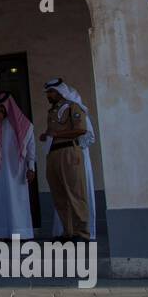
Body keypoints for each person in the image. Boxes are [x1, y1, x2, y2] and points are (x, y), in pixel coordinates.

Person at [41, 78, 96, 242]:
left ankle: (83, 233)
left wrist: (57, 135)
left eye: (51, 92)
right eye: (47, 93)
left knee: (75, 193)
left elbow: (81, 129)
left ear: (59, 92)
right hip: (54, 153)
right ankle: (68, 232)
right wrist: (47, 135)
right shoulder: (52, 112)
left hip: (69, 151)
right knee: (59, 194)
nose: (48, 95)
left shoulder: (73, 107)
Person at [0, 92, 36, 241]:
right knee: (0, 199)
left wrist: (31, 167)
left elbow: (31, 147)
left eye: (2, 107)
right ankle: (2, 232)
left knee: (17, 200)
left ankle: (21, 232)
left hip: (17, 169)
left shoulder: (22, 123)